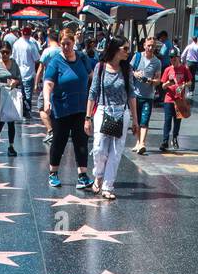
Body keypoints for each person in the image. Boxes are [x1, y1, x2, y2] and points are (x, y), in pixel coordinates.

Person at [86, 36, 138, 200]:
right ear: (116, 49)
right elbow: (93, 92)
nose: (128, 52)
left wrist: (135, 120)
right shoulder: (100, 67)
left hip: (121, 111)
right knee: (100, 147)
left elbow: (131, 94)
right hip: (102, 110)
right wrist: (88, 117)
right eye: (125, 48)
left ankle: (108, 186)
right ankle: (98, 175)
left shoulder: (127, 69)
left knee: (116, 151)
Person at [44, 27, 93, 190]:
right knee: (59, 141)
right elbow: (48, 84)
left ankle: (82, 175)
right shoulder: (56, 62)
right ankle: (53, 173)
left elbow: (91, 76)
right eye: (63, 44)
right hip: (61, 109)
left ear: (74, 42)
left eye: (68, 43)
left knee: (81, 141)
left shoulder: (83, 58)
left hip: (80, 108)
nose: (65, 47)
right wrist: (46, 101)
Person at [130, 34, 162, 154]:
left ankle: (142, 143)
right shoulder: (137, 57)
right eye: (148, 46)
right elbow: (129, 70)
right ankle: (138, 142)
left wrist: (149, 81)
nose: (150, 48)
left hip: (148, 95)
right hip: (135, 95)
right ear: (144, 45)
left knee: (145, 119)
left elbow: (158, 80)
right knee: (137, 120)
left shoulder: (157, 62)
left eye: (153, 46)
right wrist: (135, 74)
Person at [0, 39, 22, 156]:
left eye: (7, 52)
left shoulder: (14, 64)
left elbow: (20, 79)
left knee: (11, 120)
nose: (5, 54)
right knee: (1, 119)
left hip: (12, 93)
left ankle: (11, 145)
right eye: (3, 52)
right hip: (1, 94)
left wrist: (16, 81)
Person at [159, 47, 192, 152]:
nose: (172, 60)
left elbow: (190, 82)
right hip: (169, 98)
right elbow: (162, 86)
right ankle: (165, 141)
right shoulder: (167, 70)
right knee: (167, 120)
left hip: (179, 99)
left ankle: (175, 137)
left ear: (178, 57)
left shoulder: (184, 69)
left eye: (174, 57)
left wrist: (184, 85)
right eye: (171, 58)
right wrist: (168, 83)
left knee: (177, 120)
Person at [11, 23, 40, 119]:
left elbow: (13, 58)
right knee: (27, 94)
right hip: (28, 73)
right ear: (30, 34)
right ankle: (27, 111)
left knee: (20, 93)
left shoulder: (16, 44)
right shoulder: (31, 45)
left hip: (18, 73)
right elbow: (37, 59)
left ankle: (21, 110)